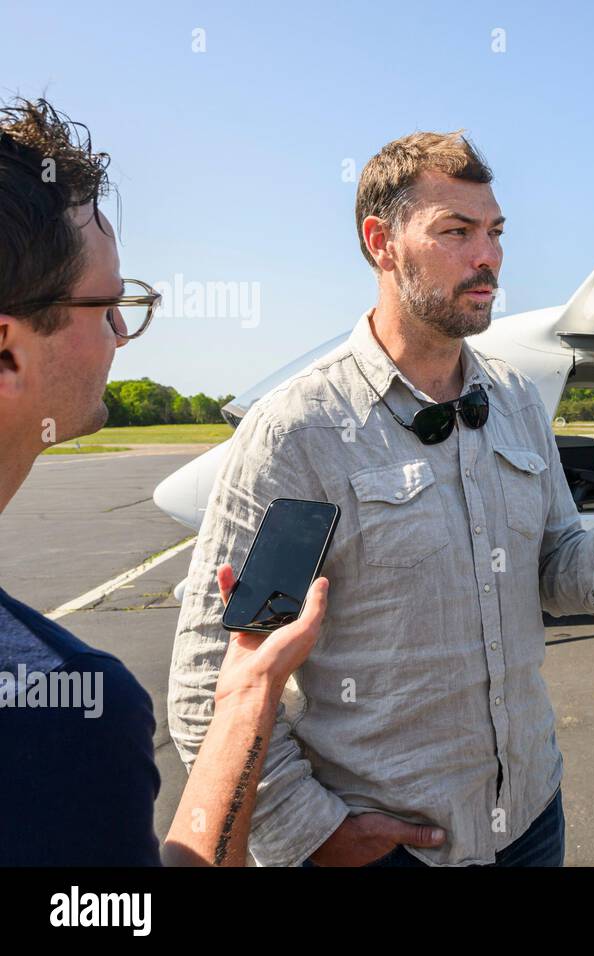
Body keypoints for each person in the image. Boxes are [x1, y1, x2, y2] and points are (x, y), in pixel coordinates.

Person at [169, 131, 594, 868]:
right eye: (456, 232)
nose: (489, 256)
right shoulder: (305, 432)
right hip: (387, 850)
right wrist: (314, 832)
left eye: (495, 233)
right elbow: (214, 680)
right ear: (381, 242)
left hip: (531, 820)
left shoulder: (515, 400)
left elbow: (557, 579)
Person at [0, 97, 329, 866]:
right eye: (109, 306)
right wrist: (249, 693)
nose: (121, 335)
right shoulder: (61, 714)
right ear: (8, 351)